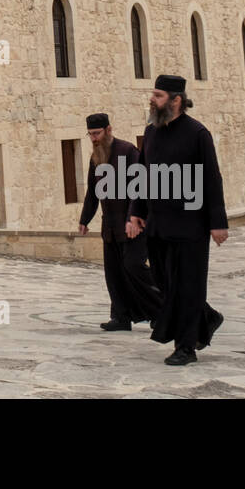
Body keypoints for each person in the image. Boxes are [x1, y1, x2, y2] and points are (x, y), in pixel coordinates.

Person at [126, 75, 229, 365]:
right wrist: (136, 212)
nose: (152, 100)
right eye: (153, 94)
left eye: (158, 95)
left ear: (176, 100)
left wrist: (217, 223)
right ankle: (207, 316)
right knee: (165, 283)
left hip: (190, 227)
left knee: (188, 285)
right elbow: (142, 176)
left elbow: (212, 179)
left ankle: (186, 347)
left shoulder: (198, 134)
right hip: (158, 226)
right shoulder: (152, 132)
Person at [78, 113, 161, 331]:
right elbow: (93, 192)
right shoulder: (95, 158)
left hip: (133, 224)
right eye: (91, 135)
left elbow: (141, 188)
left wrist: (134, 219)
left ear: (108, 130)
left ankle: (161, 309)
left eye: (97, 133)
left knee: (134, 266)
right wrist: (85, 219)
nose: (94, 138)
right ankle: (121, 317)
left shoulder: (128, 151)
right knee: (114, 274)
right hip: (110, 227)